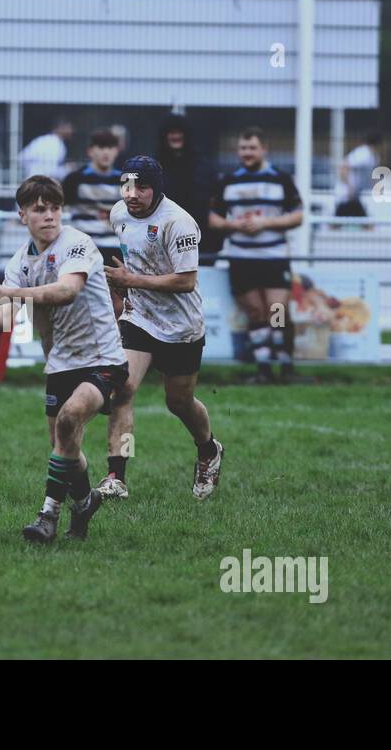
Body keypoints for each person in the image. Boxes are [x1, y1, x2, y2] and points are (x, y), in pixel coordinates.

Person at [0, 175, 126, 543]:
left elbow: (67, 291)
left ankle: (47, 516)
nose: (49, 216)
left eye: (55, 208)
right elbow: (6, 317)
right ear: (22, 214)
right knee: (65, 444)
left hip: (102, 356)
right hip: (60, 362)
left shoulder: (78, 243)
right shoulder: (19, 263)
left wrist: (7, 291)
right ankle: (86, 501)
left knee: (70, 419)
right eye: (40, 209)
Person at [97, 155, 224, 501]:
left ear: (157, 188)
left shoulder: (178, 223)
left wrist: (131, 278)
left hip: (181, 326)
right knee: (123, 390)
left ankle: (208, 449)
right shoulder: (118, 214)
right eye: (126, 185)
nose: (132, 193)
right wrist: (123, 288)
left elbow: (185, 281)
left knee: (178, 402)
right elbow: (131, 262)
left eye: (142, 186)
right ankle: (115, 476)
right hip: (139, 318)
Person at [208, 127, 305, 384]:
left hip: (273, 256)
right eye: (243, 148)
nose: (247, 153)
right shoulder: (228, 181)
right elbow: (213, 219)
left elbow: (298, 215)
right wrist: (235, 226)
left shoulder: (281, 179)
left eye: (252, 148)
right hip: (241, 258)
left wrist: (266, 224)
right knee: (255, 312)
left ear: (264, 149)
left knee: (277, 310)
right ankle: (263, 369)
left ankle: (285, 367)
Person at [61, 128, 124, 283]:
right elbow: (58, 208)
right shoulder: (74, 179)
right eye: (101, 148)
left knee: (116, 299)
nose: (106, 153)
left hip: (115, 248)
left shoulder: (125, 180)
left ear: (116, 151)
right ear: (90, 151)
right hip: (83, 248)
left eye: (110, 148)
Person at [155, 113, 219, 264]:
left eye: (179, 132)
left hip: (200, 241)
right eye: (171, 132)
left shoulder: (204, 166)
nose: (175, 136)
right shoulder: (154, 166)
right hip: (163, 239)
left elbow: (215, 201)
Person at [335, 133, 381, 219]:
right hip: (346, 195)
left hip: (355, 196)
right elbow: (343, 167)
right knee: (337, 222)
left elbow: (372, 176)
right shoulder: (363, 154)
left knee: (363, 222)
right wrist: (350, 188)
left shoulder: (374, 158)